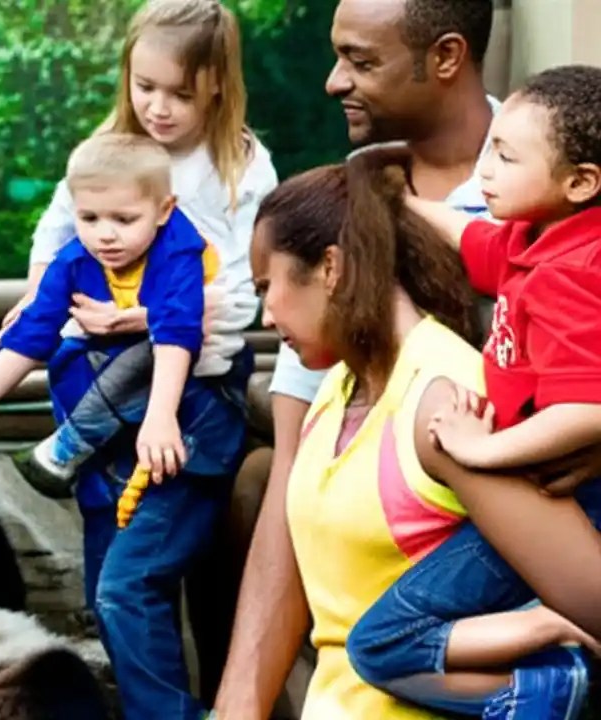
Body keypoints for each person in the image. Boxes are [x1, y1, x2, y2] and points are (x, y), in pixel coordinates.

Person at [221, 146, 601, 719]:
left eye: (264, 286)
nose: (267, 316)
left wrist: (545, 637)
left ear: (330, 267)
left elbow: (589, 592)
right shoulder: (337, 387)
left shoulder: (444, 399)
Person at [214, 2, 506, 715]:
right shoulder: (343, 211)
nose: (332, 81)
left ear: (444, 58)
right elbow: (298, 475)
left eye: (362, 60)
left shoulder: (556, 182)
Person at [0, 1, 276, 702]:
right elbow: (54, 239)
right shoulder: (110, 150)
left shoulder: (238, 169)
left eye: (179, 93)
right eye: (143, 85)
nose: (157, 107)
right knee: (107, 586)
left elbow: (240, 298)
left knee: (144, 582)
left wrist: (136, 318)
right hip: (93, 384)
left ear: (217, 82)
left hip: (192, 392)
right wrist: (45, 297)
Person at [0, 130, 231, 718]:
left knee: (126, 589)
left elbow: (176, 332)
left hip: (174, 443)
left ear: (163, 209)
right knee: (107, 597)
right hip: (104, 462)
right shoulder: (76, 260)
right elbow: (29, 337)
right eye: (89, 217)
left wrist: (163, 416)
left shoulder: (176, 249)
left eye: (123, 217)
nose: (105, 233)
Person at [344, 64, 601, 718]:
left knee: (381, 643)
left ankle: (547, 687)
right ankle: (547, 658)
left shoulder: (573, 273)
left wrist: (482, 455)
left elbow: (587, 410)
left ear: (579, 183)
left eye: (507, 158)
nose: (485, 171)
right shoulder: (535, 236)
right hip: (537, 481)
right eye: (491, 148)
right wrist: (402, 202)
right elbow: (475, 243)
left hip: (566, 494)